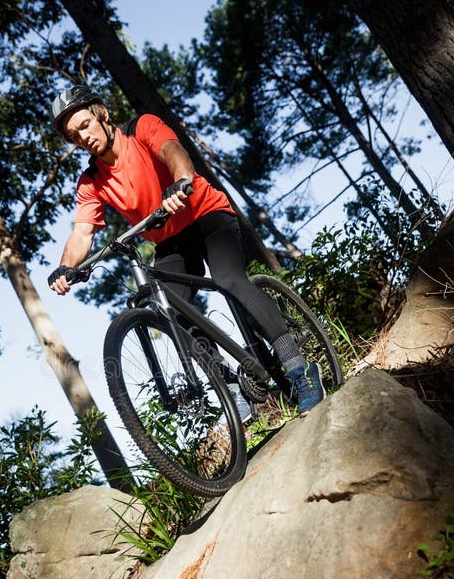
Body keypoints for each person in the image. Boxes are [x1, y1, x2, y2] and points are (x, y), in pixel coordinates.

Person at [48, 84, 325, 417]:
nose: (83, 137)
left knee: (228, 279)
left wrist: (181, 181)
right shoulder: (92, 180)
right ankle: (230, 386)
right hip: (171, 241)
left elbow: (173, 151)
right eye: (74, 136)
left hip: (206, 215)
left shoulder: (141, 128)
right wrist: (66, 266)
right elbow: (82, 231)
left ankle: (300, 368)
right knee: (170, 310)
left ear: (103, 115)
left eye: (85, 125)